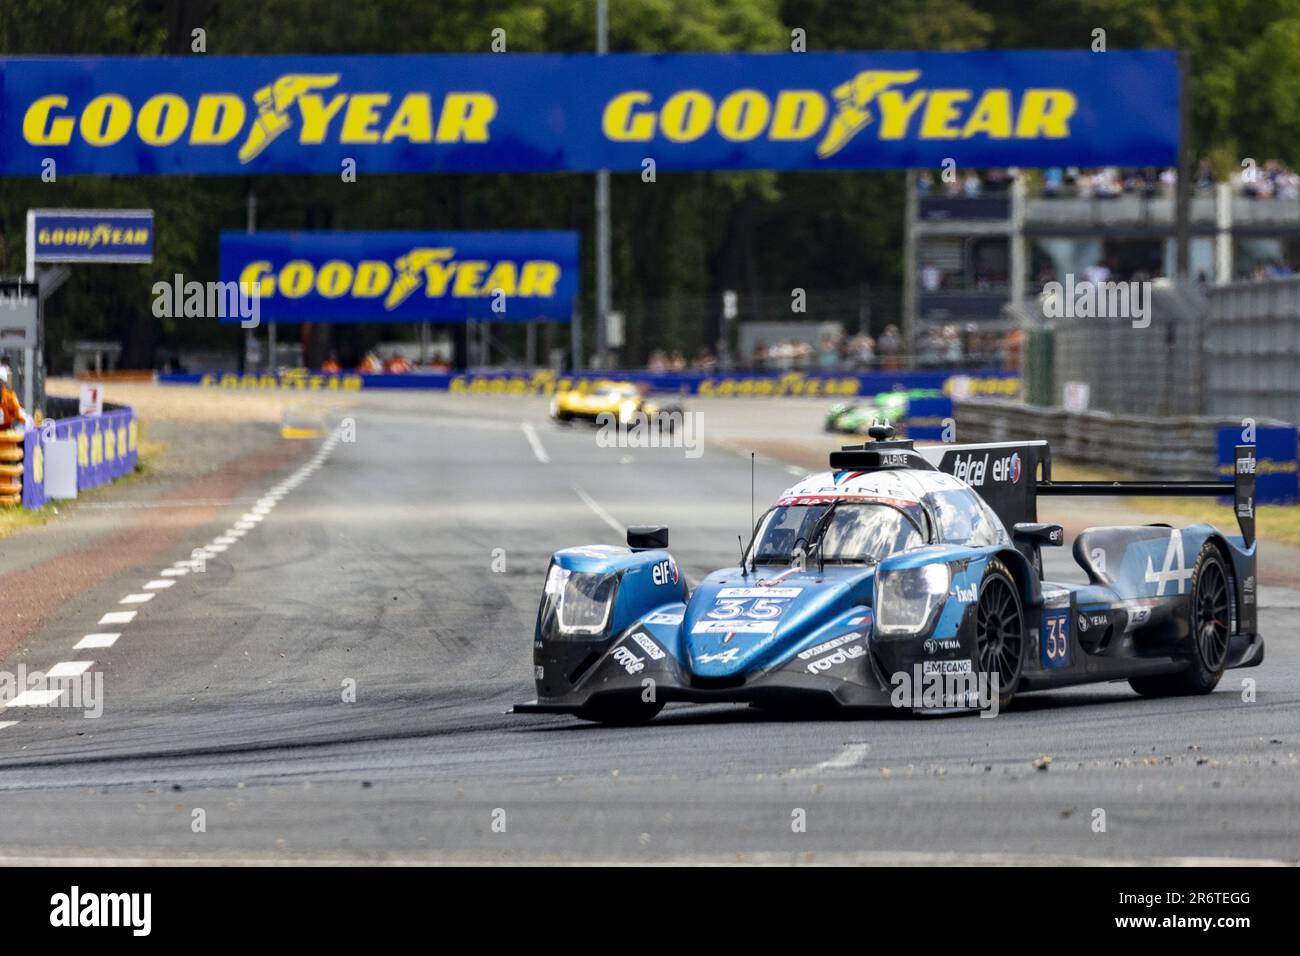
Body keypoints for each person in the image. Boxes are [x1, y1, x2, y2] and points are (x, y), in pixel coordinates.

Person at [0, 362, 30, 430]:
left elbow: (21, 416)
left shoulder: (10, 398)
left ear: (4, 384)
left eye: (0, 383)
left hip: (6, 432)